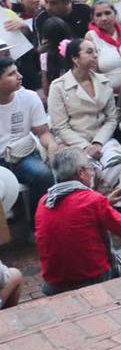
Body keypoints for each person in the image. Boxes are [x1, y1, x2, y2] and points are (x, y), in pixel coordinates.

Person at [35, 147, 121, 294]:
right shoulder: (92, 200)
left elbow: (74, 212)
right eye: (90, 169)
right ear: (80, 173)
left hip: (54, 285)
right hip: (93, 279)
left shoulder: (44, 200)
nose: (92, 173)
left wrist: (105, 202)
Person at [48, 39, 121, 192]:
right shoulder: (58, 87)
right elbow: (60, 127)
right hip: (73, 143)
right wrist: (85, 146)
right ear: (75, 59)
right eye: (89, 52)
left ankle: (117, 207)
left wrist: (98, 142)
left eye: (96, 52)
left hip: (102, 139)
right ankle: (94, 208)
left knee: (116, 160)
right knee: (85, 169)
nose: (95, 56)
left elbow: (112, 118)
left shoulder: (104, 82)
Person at [0, 56, 56, 232]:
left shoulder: (29, 97)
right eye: (11, 74)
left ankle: (38, 227)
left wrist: (52, 146)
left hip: (23, 155)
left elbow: (43, 132)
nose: (19, 76)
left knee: (43, 175)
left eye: (17, 71)